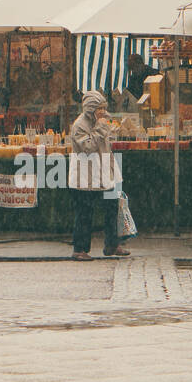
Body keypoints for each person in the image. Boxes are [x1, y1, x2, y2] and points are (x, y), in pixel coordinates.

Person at [68, 90, 128, 260]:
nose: (103, 111)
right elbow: (88, 147)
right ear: (91, 109)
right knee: (84, 213)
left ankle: (112, 244)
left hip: (103, 173)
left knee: (111, 208)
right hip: (85, 176)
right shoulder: (79, 125)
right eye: (99, 108)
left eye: (104, 107)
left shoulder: (101, 120)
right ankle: (79, 249)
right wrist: (101, 128)